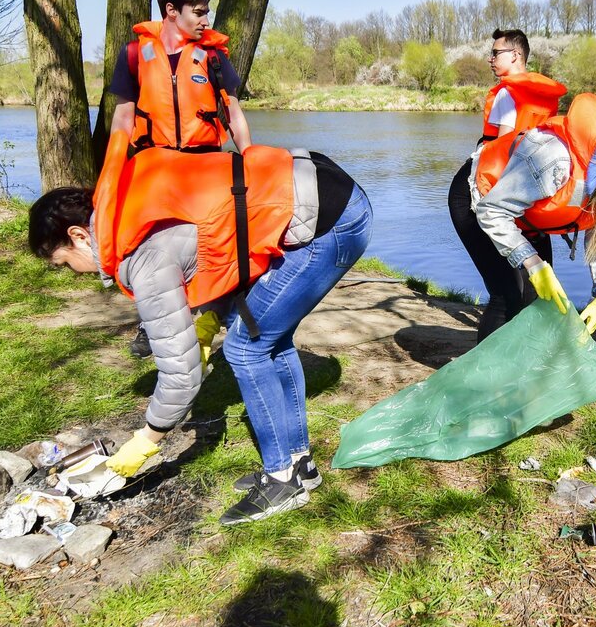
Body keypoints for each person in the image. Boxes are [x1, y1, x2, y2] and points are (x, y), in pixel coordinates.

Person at [28, 129, 373, 525]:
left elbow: (181, 376)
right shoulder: (125, 206)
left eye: (65, 262)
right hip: (315, 184)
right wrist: (208, 322)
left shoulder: (142, 256)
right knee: (266, 337)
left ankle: (284, 482)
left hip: (330, 219)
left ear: (77, 235)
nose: (74, 273)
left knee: (248, 347)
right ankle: (298, 467)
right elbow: (212, 244)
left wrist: (144, 443)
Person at [454, 92, 596, 341]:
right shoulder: (556, 161)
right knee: (510, 294)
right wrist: (531, 262)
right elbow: (493, 210)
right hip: (479, 197)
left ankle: (522, 368)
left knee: (540, 299)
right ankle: (489, 378)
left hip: (525, 214)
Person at [108, 0, 255, 359]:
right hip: (153, 168)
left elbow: (234, 114)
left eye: (208, 12)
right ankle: (151, 323)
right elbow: (123, 118)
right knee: (150, 248)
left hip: (205, 168)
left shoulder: (213, 56)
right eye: (199, 12)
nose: (206, 20)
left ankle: (207, 322)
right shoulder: (135, 55)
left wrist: (250, 157)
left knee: (206, 246)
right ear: (171, 11)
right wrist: (114, 171)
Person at [448, 29, 566, 339]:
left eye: (496, 52)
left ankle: (500, 372)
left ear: (515, 55)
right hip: (527, 191)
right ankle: (513, 367)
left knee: (508, 294)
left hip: (493, 188)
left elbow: (504, 147)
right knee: (532, 288)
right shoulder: (543, 96)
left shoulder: (507, 92)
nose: (490, 58)